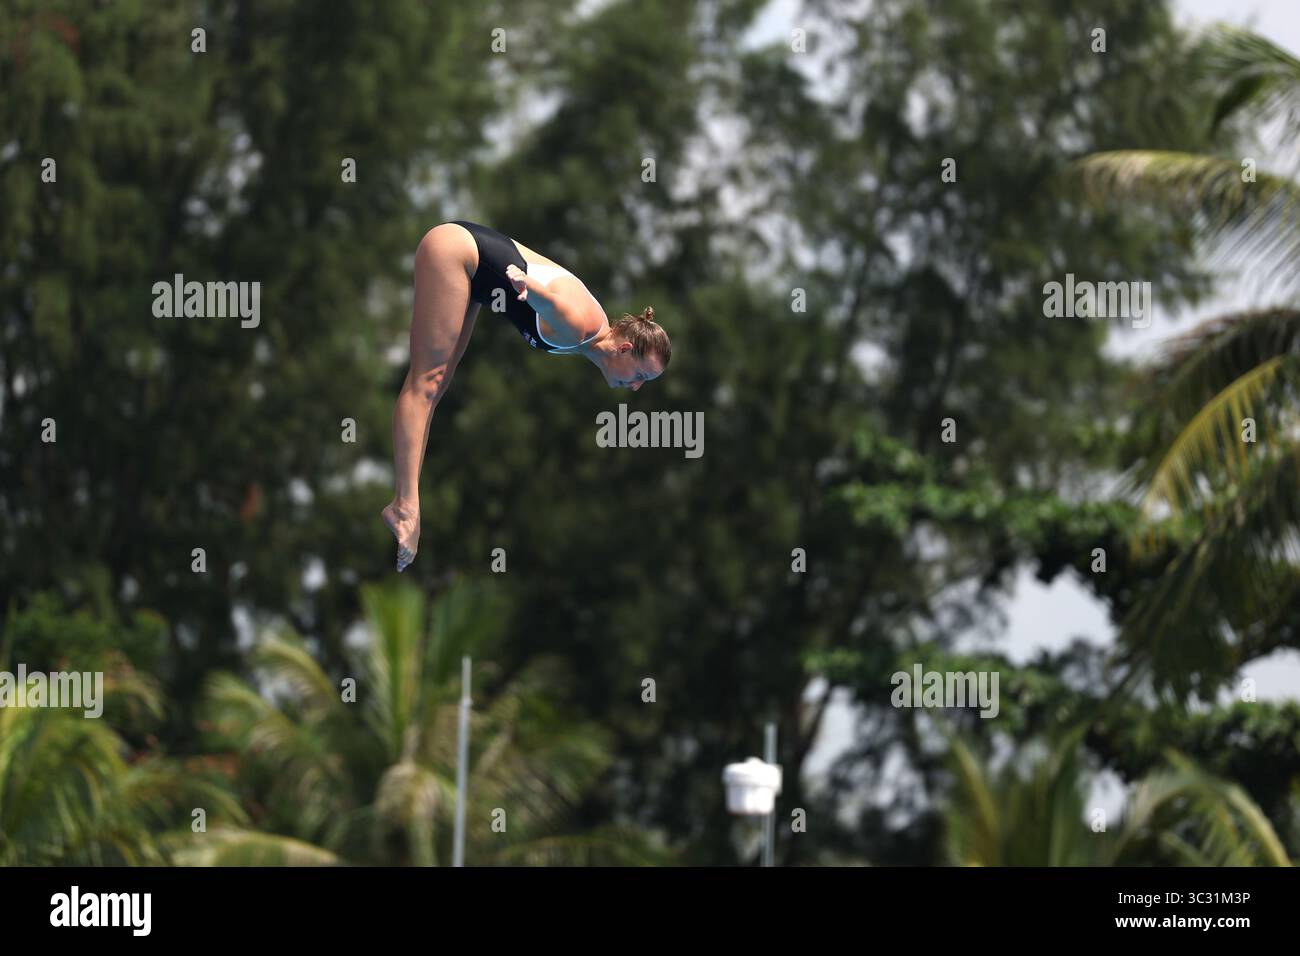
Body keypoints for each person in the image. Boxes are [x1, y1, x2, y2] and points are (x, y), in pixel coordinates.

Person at [382, 220, 672, 572]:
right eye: (640, 375)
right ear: (625, 349)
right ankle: (406, 504)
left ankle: (408, 496)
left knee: (438, 385)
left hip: (477, 279)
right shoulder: (579, 326)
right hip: (456, 252)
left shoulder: (591, 338)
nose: (637, 386)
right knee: (426, 382)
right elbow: (555, 305)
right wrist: (527, 286)